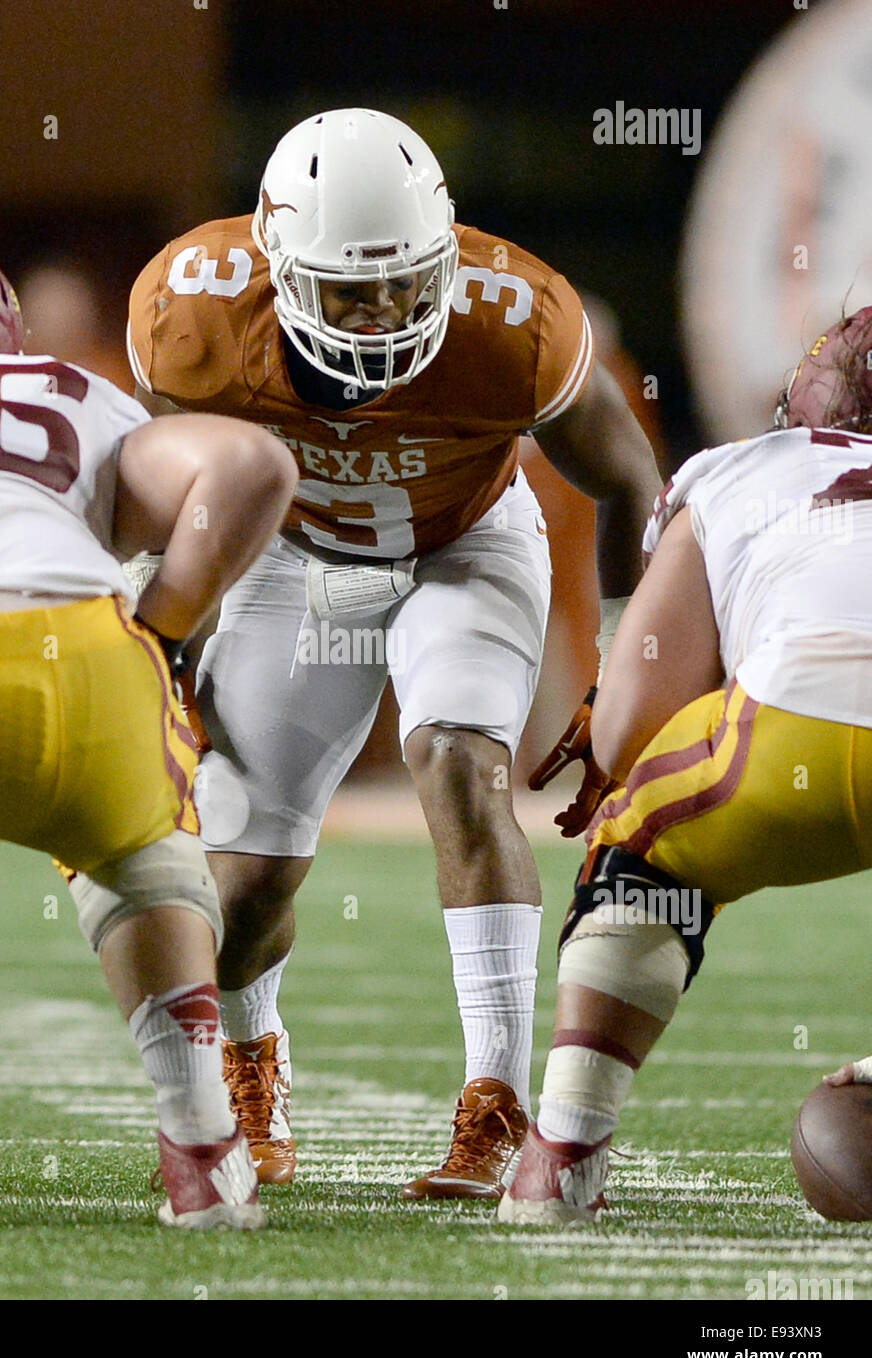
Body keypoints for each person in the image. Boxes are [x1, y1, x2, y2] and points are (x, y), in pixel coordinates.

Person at [127, 109, 661, 1199]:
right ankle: (251, 1065)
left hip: (465, 541)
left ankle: (497, 1107)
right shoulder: (193, 314)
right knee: (246, 877)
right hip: (288, 554)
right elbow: (154, 488)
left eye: (404, 285)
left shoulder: (515, 318)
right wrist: (157, 638)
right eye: (348, 291)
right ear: (277, 265)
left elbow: (631, 480)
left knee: (459, 765)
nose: (380, 313)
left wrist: (626, 653)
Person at [0, 236, 297, 1230]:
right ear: (8, 336)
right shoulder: (71, 392)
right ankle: (203, 1149)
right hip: (73, 664)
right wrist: (160, 636)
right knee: (144, 856)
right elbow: (251, 465)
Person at [498, 306, 872, 1224]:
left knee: (640, 854)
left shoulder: (743, 469)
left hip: (802, 737)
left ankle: (563, 1158)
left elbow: (631, 729)